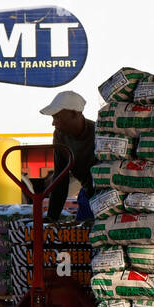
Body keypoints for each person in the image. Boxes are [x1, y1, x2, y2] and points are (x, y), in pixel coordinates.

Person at [40, 90, 96, 221]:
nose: (53, 123)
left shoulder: (99, 132)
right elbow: (60, 177)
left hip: (105, 194)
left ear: (74, 114)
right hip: (87, 193)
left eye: (57, 117)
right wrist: (51, 217)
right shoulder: (60, 135)